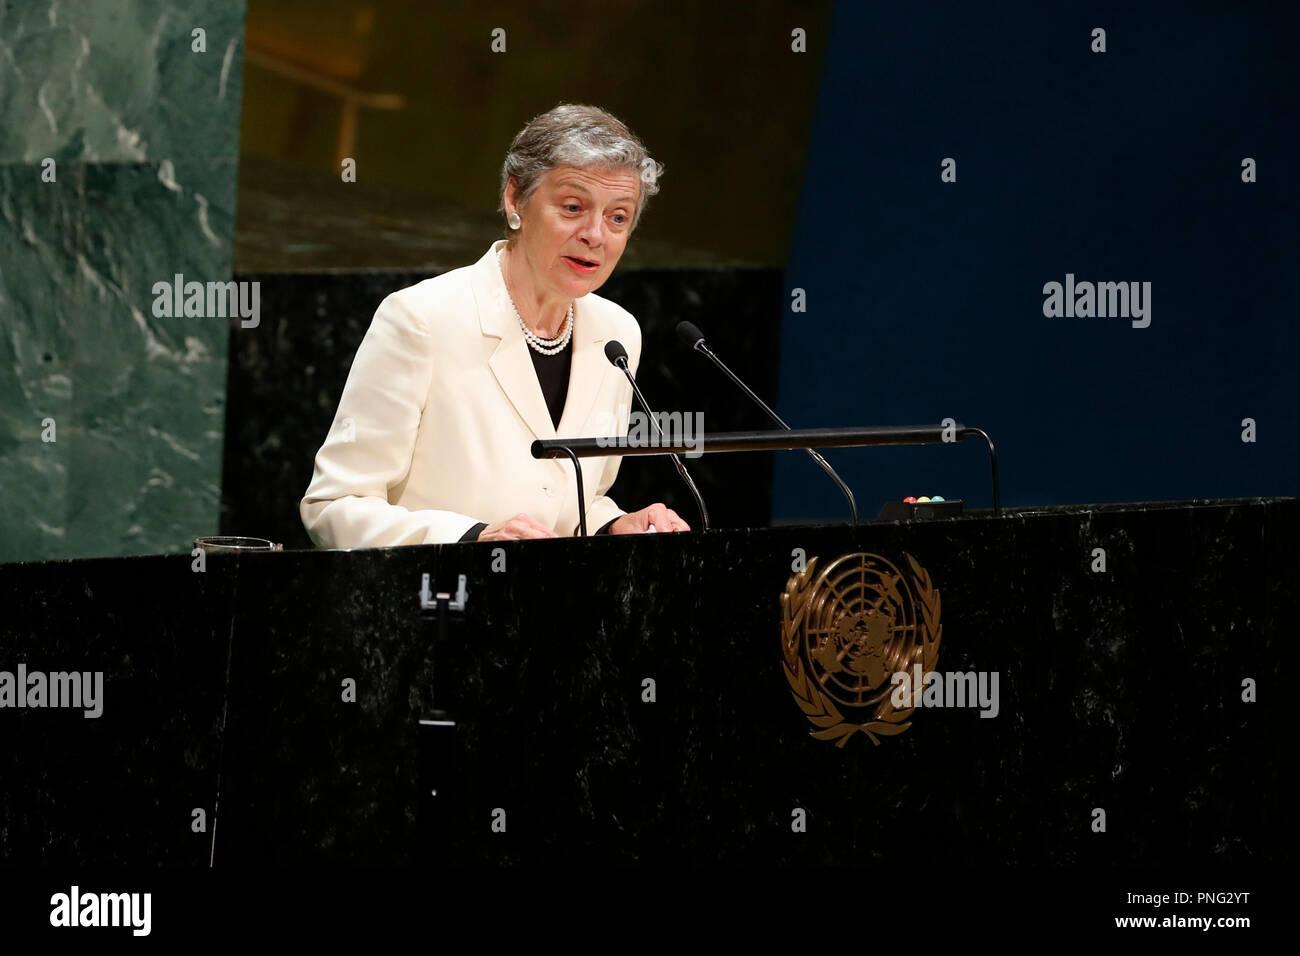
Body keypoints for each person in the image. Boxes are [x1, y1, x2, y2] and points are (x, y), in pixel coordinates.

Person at [299, 103, 690, 546]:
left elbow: (568, 498)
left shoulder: (617, 334)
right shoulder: (423, 319)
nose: (595, 234)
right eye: (573, 206)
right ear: (514, 199)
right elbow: (334, 506)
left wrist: (612, 524)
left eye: (617, 217)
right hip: (438, 605)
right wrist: (471, 539)